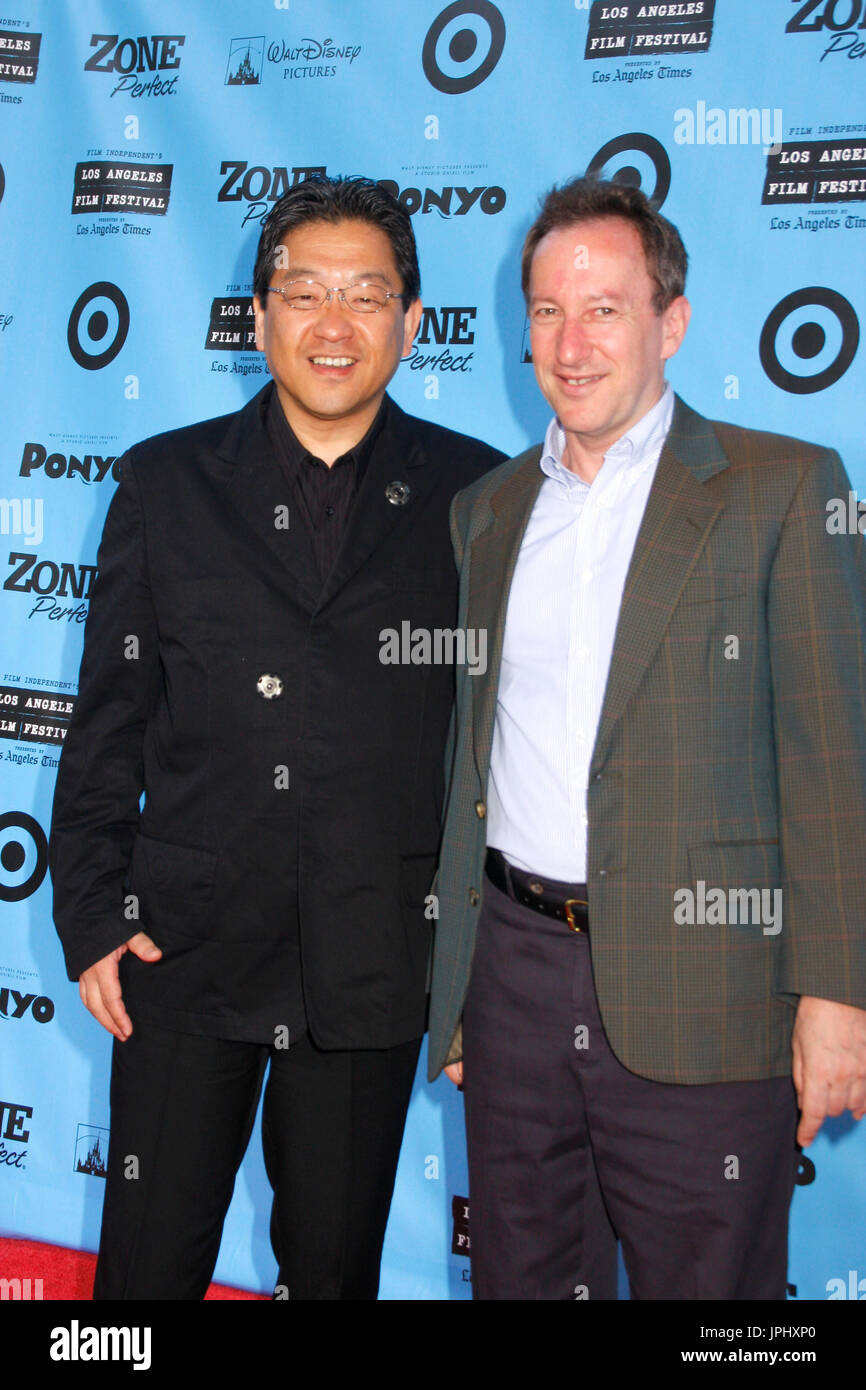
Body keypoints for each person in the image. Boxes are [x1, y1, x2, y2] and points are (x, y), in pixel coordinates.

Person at [49, 174, 503, 1300]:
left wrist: (472, 973)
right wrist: (95, 914)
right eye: (304, 291)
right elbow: (107, 721)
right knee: (142, 1281)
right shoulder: (164, 482)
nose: (333, 323)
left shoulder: (477, 496)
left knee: (334, 1272)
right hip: (181, 955)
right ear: (258, 315)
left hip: (372, 956)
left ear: (409, 318)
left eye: (366, 293)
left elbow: (497, 756)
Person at [427, 176, 866, 1300]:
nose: (569, 346)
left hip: (709, 992)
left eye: (603, 310)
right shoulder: (483, 514)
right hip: (514, 988)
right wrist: (458, 992)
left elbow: (834, 766)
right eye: (543, 312)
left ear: (670, 322)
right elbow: (470, 762)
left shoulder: (782, 489)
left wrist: (836, 994)